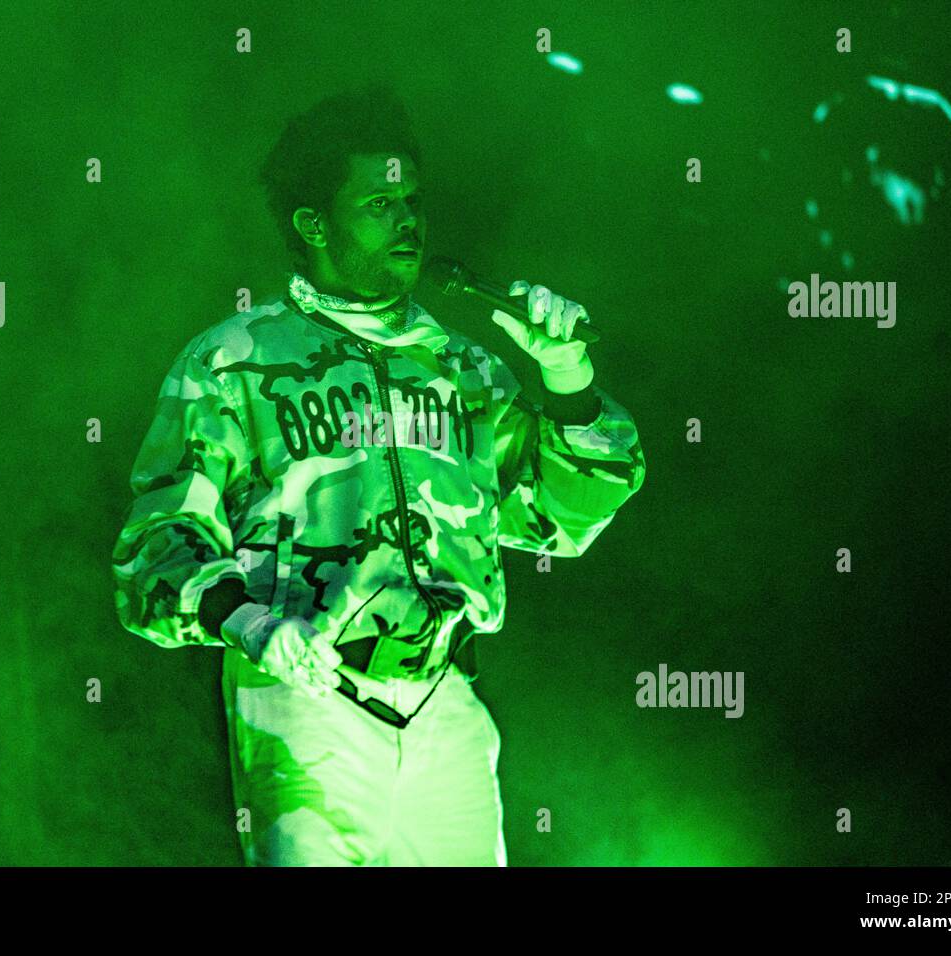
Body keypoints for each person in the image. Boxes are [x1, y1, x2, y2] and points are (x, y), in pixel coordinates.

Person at [111, 84, 646, 866]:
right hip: (307, 703)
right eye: (379, 203)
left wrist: (569, 381)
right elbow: (155, 546)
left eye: (413, 200)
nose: (408, 220)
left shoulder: (462, 368)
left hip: (446, 704)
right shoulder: (233, 362)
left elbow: (563, 520)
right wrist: (249, 621)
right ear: (313, 223)